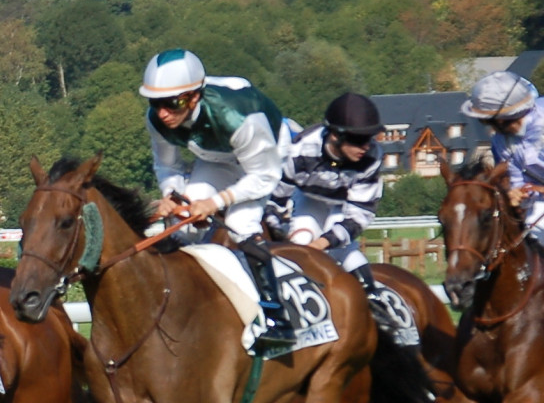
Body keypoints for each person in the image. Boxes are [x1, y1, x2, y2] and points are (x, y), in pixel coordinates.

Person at [139, 47, 300, 352]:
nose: (163, 113)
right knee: (182, 222)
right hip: (218, 157)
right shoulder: (157, 119)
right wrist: (171, 196)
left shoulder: (237, 115)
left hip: (268, 155)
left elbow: (263, 175)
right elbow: (168, 166)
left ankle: (277, 316)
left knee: (240, 222)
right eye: (155, 103)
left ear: (194, 97)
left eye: (173, 103)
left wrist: (216, 203)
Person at [274, 92, 412, 342]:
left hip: (345, 206)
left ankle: (374, 301)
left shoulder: (371, 156)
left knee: (343, 251)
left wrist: (325, 242)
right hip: (309, 201)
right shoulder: (299, 151)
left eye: (370, 138)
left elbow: (359, 215)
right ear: (335, 136)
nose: (366, 147)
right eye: (359, 140)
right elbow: (277, 199)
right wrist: (278, 233)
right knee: (302, 242)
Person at [461, 70, 544, 249]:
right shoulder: (500, 140)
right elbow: (515, 180)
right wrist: (515, 194)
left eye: (489, 121)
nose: (488, 127)